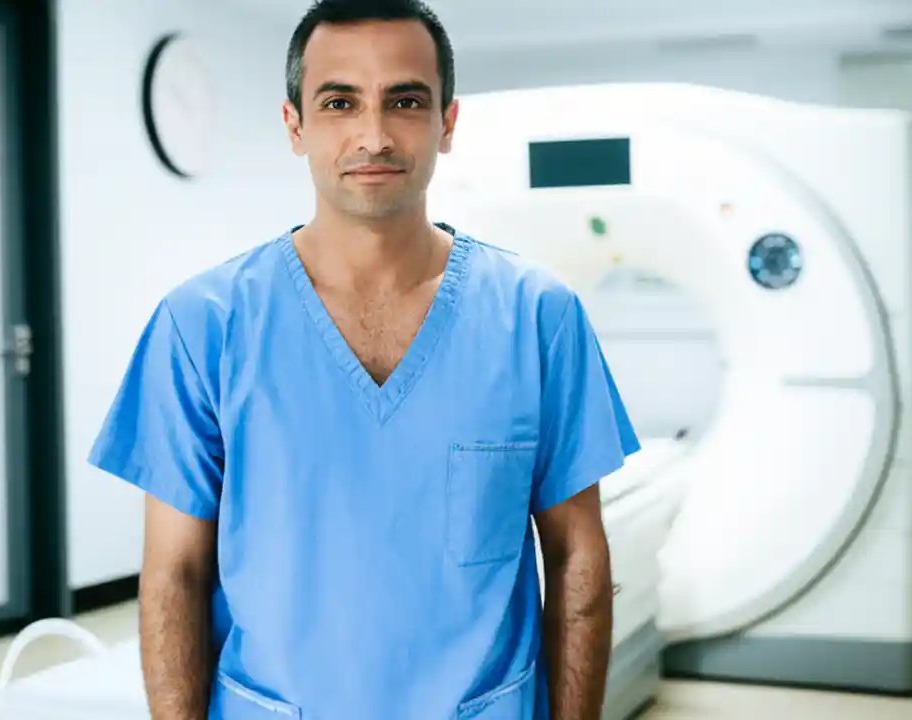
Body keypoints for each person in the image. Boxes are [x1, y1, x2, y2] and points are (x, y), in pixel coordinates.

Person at [88, 1, 640, 718]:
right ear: (295, 125)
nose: (373, 135)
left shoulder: (538, 317)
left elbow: (578, 560)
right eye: (340, 102)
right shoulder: (204, 326)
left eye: (405, 100)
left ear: (447, 123)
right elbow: (174, 574)